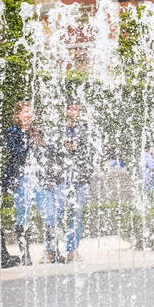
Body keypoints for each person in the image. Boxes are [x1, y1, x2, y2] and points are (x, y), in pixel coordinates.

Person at [4, 100, 58, 265]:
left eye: (30, 111)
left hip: (40, 179)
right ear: (18, 115)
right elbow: (15, 152)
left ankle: (54, 252)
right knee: (23, 216)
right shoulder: (12, 132)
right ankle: (25, 254)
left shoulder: (40, 131)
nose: (28, 114)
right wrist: (30, 143)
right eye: (25, 111)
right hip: (22, 179)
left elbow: (50, 154)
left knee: (49, 215)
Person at [54, 102, 92, 262]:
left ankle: (72, 250)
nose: (76, 112)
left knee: (76, 216)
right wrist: (62, 145)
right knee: (56, 215)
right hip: (62, 178)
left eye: (79, 109)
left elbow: (92, 150)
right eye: (73, 108)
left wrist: (76, 146)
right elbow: (50, 150)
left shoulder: (87, 129)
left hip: (80, 178)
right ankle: (51, 250)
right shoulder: (58, 129)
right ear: (66, 110)